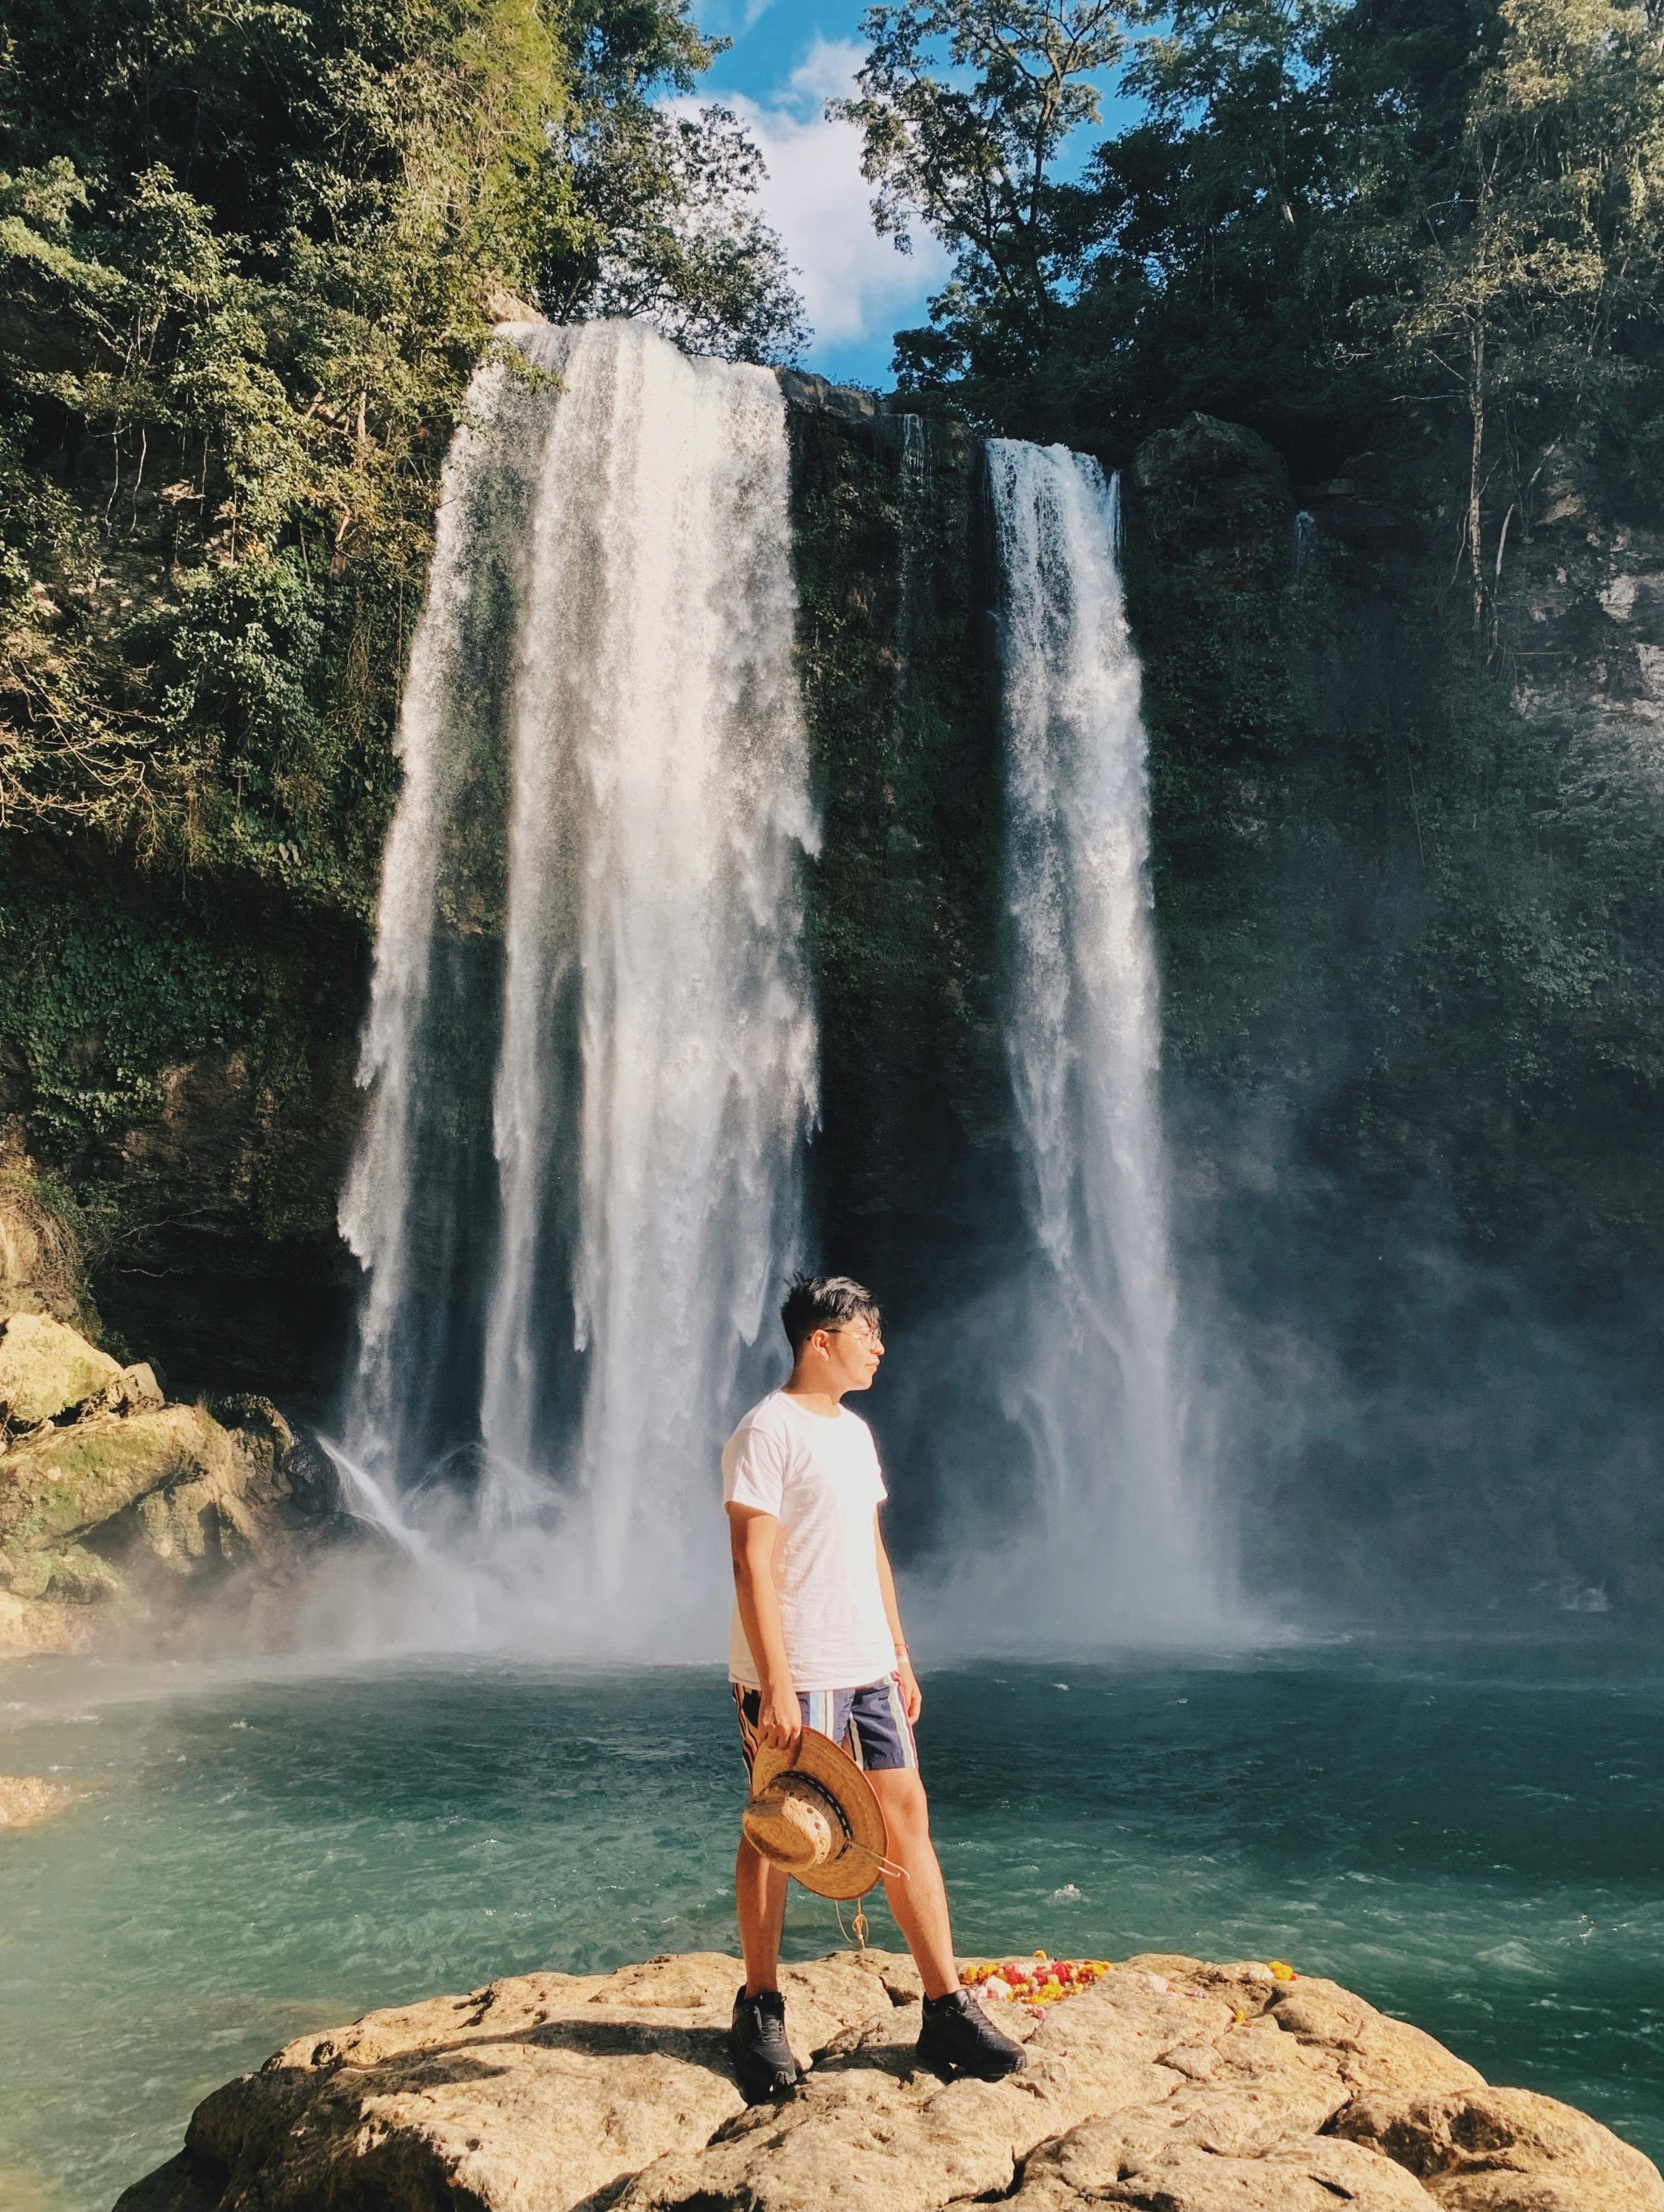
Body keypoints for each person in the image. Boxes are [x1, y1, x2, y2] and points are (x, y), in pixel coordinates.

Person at [724, 1272, 1027, 2101]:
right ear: (821, 1338)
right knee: (776, 1829)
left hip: (865, 1665)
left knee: (908, 1819)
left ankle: (944, 2005)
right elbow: (751, 1560)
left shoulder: (855, 1434)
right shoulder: (766, 1430)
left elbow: (871, 1548)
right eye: (868, 1332)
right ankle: (759, 2006)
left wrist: (899, 1650)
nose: (881, 1346)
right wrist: (777, 1679)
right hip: (795, 1670)